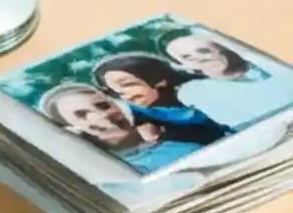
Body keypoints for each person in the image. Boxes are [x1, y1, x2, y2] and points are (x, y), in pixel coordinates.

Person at [40, 84, 204, 174]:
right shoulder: (101, 169)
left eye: (103, 105)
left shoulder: (176, 130)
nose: (102, 115)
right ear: (71, 128)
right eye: (82, 115)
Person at [162, 31, 293, 129]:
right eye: (187, 57)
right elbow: (248, 127)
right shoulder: (198, 92)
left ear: (221, 48)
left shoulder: (261, 64)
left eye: (204, 51)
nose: (201, 58)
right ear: (182, 66)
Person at [92, 53, 230, 146]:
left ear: (160, 80)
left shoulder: (199, 92)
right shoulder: (137, 110)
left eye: (127, 84)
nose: (124, 94)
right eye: (114, 91)